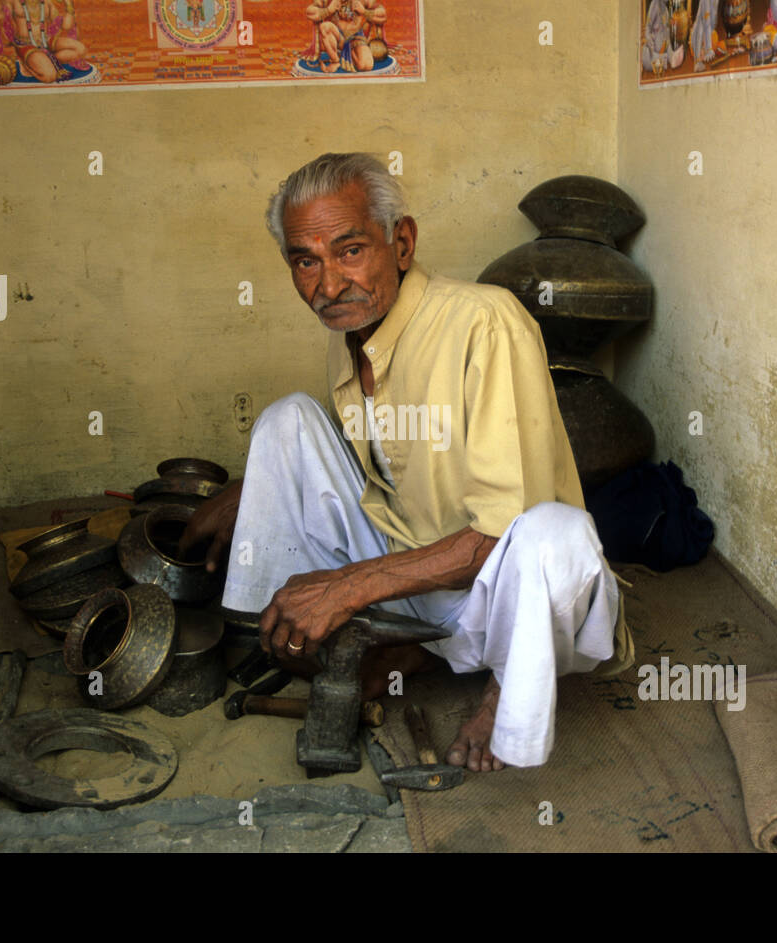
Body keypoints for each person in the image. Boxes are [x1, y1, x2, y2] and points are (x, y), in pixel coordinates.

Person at [179, 153, 633, 771]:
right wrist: (251, 488)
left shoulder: (484, 321)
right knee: (286, 420)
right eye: (304, 261)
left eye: (349, 250)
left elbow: (501, 533)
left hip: (501, 597)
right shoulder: (352, 334)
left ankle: (505, 693)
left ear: (402, 241)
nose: (328, 284)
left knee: (559, 535)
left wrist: (347, 587)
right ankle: (315, 640)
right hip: (411, 572)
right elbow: (377, 463)